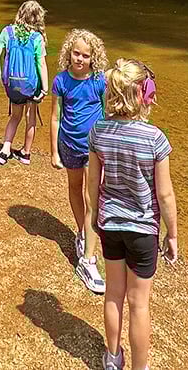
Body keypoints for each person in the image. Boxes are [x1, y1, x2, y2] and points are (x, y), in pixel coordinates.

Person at [88, 59, 178, 370]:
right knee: (139, 305)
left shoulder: (98, 132)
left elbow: (93, 187)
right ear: (142, 95)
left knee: (113, 293)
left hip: (110, 225)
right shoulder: (155, 139)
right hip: (143, 231)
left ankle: (113, 357)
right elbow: (165, 195)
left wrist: (93, 221)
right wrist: (173, 234)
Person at [50, 28, 108, 294]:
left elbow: (108, 114)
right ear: (68, 53)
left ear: (93, 58)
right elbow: (54, 117)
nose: (80, 59)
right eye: (76, 53)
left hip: (93, 148)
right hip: (69, 145)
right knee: (75, 190)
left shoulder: (99, 82)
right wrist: (53, 151)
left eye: (86, 55)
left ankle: (89, 260)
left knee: (91, 196)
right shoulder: (61, 81)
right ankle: (83, 233)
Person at [0, 0, 49, 167]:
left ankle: (5, 149)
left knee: (15, 117)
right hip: (31, 85)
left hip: (12, 84)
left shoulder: (7, 31)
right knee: (30, 118)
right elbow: (41, 64)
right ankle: (26, 153)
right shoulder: (36, 37)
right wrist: (45, 89)